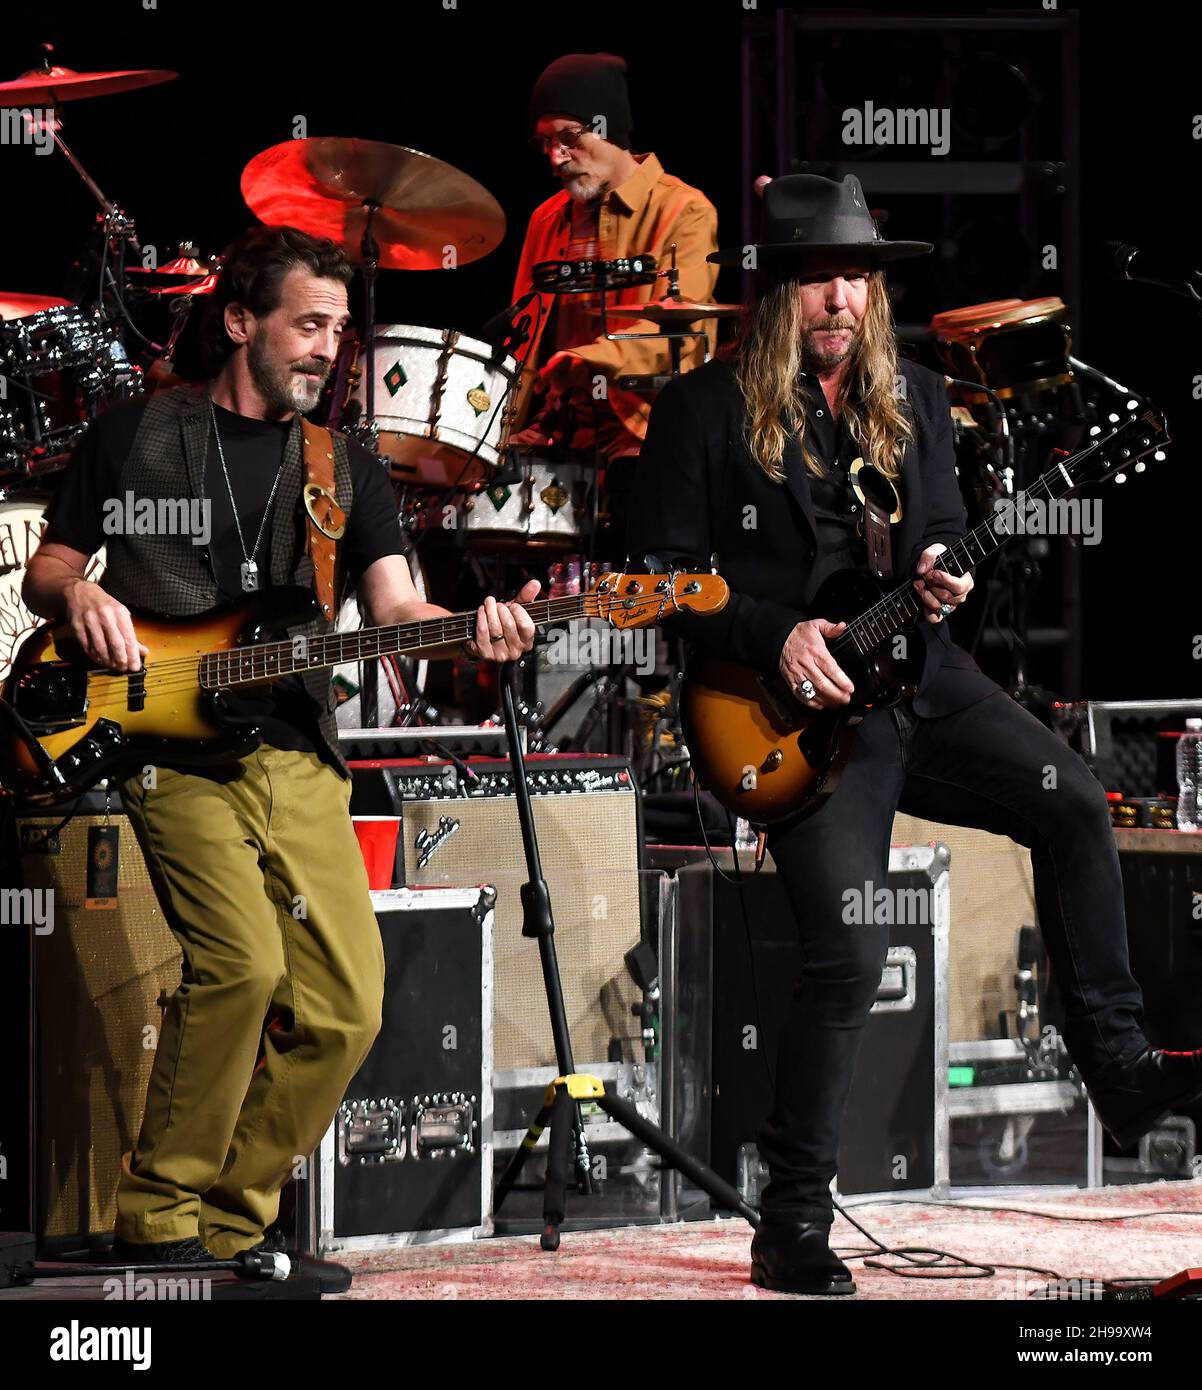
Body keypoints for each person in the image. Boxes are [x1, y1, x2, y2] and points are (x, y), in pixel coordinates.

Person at [628, 173, 1202, 1296]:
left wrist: (943, 573)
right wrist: (772, 630)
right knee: (845, 954)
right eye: (812, 279)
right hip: (787, 719)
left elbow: (939, 532)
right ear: (773, 295)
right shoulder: (699, 411)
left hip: (919, 681)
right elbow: (658, 581)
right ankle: (789, 1223)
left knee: (1074, 801)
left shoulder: (920, 401)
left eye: (853, 276)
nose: (837, 298)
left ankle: (1118, 1065)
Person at [23, 224, 537, 1290]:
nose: (326, 349)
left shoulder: (341, 464)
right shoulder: (132, 437)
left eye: (339, 332)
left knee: (347, 1002)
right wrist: (80, 594)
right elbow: (51, 569)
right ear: (239, 320)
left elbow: (398, 606)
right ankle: (157, 1210)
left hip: (296, 749)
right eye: (308, 324)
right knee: (244, 965)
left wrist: (473, 627)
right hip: (170, 747)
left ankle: (229, 1217)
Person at [509, 51, 719, 546]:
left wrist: (585, 361)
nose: (554, 158)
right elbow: (522, 343)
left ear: (607, 128)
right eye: (545, 143)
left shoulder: (684, 210)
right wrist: (491, 433)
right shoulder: (545, 220)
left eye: (568, 139)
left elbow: (680, 338)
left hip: (644, 430)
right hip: (562, 428)